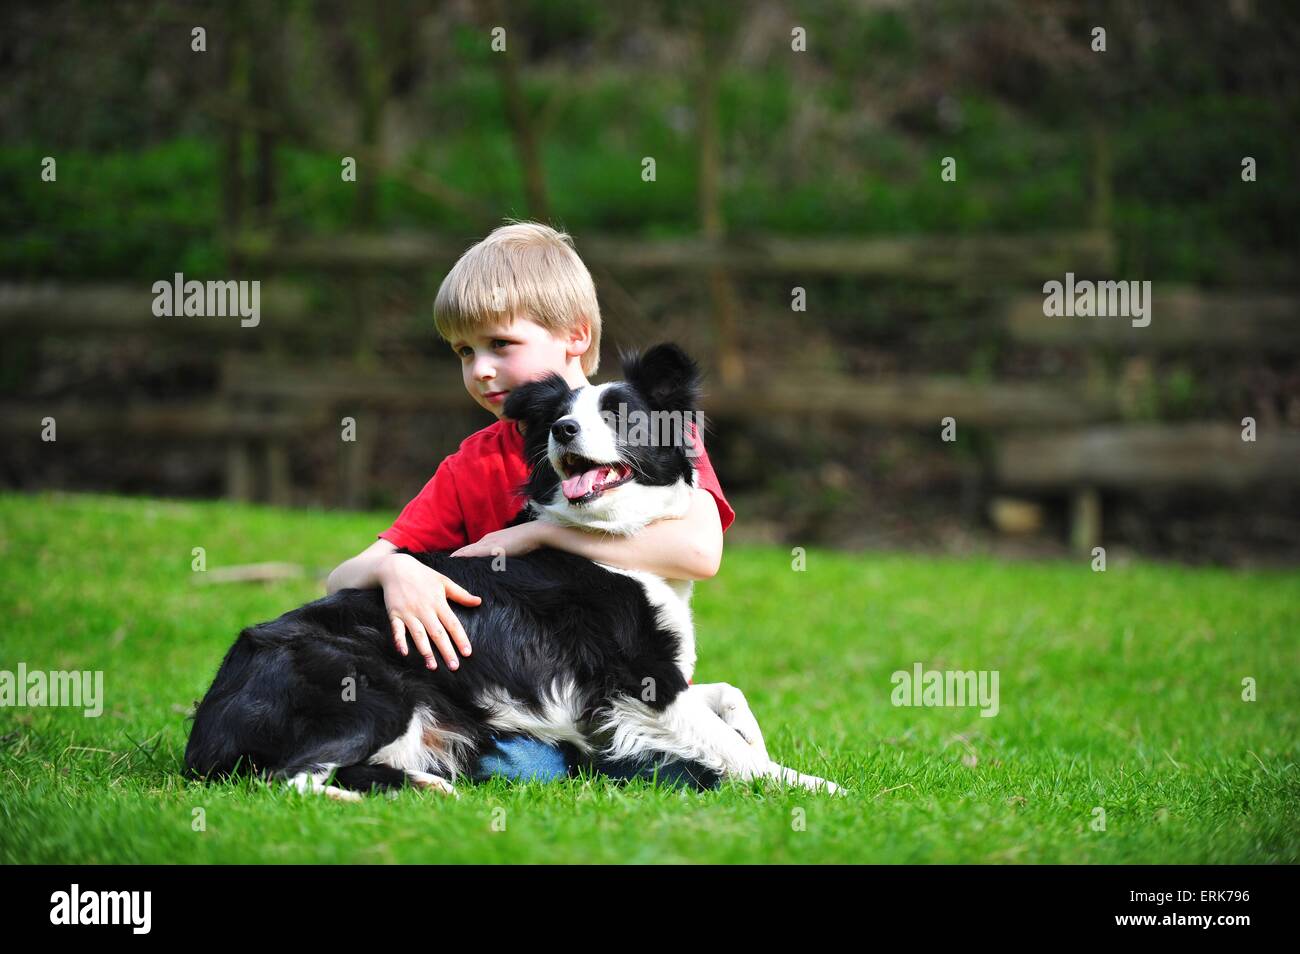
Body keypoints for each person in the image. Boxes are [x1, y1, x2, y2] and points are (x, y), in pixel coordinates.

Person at [325, 220, 735, 790]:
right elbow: (341, 577)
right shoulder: (471, 464)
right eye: (464, 352)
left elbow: (698, 551)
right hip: (503, 693)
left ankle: (654, 745)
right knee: (519, 765)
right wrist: (396, 568)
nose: (480, 370)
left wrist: (538, 535)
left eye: (501, 344)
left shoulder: (650, 429)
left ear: (575, 333)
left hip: (620, 672)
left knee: (685, 757)